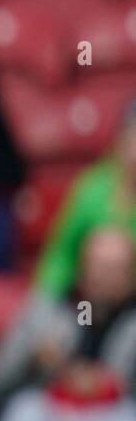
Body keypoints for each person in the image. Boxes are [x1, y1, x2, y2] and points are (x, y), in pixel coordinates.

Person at [0, 227, 136, 421]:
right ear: (81, 267)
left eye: (113, 269)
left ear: (131, 276)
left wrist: (114, 383)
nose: (102, 277)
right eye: (96, 266)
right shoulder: (46, 308)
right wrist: (33, 360)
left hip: (113, 419)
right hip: (55, 412)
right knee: (24, 414)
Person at [34, 102, 136, 298]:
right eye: (131, 137)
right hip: (90, 304)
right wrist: (46, 299)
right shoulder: (92, 188)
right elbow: (61, 257)